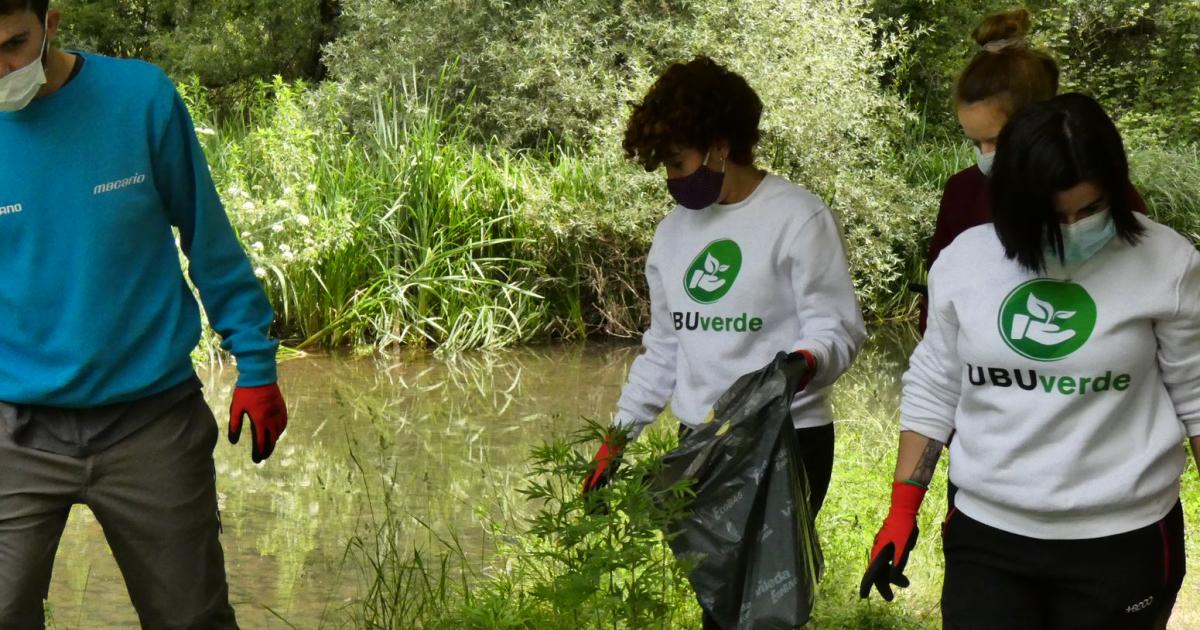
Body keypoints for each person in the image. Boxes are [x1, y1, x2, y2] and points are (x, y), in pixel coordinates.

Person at [861, 93, 1198, 630]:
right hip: (989, 538)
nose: (1074, 227)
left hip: (1122, 540)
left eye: (1090, 209)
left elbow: (1196, 396)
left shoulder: (1169, 263)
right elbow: (935, 386)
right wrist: (902, 511)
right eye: (1053, 215)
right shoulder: (967, 261)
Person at [0, 1, 287, 627]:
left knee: (190, 618)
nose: (0, 70)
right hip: (14, 428)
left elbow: (207, 236)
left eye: (12, 45)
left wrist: (256, 362)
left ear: (51, 24)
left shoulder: (140, 100)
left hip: (151, 422)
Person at [582, 56, 866, 628]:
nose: (671, 179)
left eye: (677, 162)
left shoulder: (797, 216)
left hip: (782, 440)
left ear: (719, 146)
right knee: (718, 602)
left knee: (762, 610)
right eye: (664, 167)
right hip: (701, 444)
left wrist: (802, 363)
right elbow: (664, 349)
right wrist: (616, 440)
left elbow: (838, 329)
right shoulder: (671, 235)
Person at [919, 8, 1147, 333]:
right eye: (976, 142)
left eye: (996, 140)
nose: (986, 155)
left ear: (1039, 120)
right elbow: (937, 303)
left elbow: (1141, 277)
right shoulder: (962, 192)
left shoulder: (1096, 189)